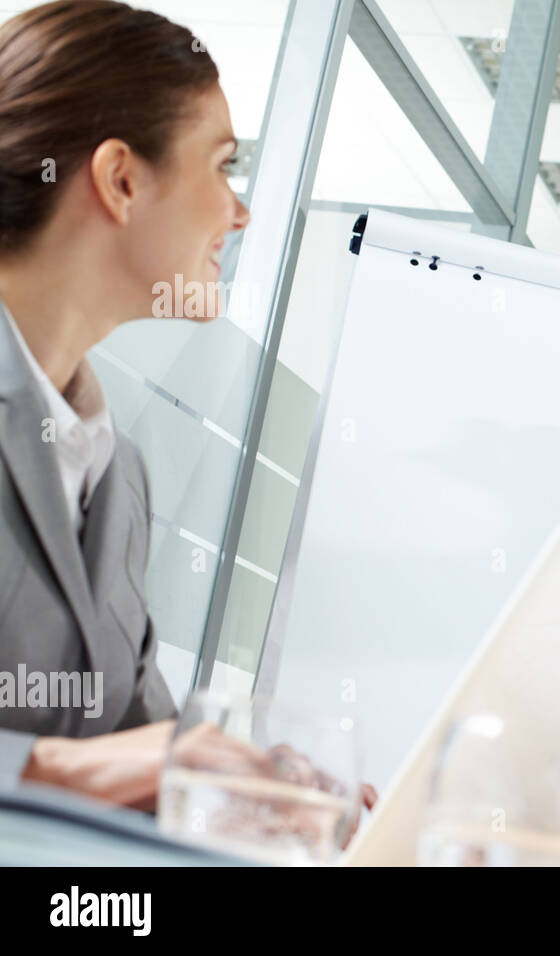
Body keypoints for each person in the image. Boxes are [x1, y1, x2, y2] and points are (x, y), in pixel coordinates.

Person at [0, 0, 326, 812]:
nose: (239, 212)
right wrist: (59, 772)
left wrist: (263, 796)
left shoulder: (118, 479)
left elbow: (150, 758)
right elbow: (99, 768)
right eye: (221, 166)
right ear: (120, 180)